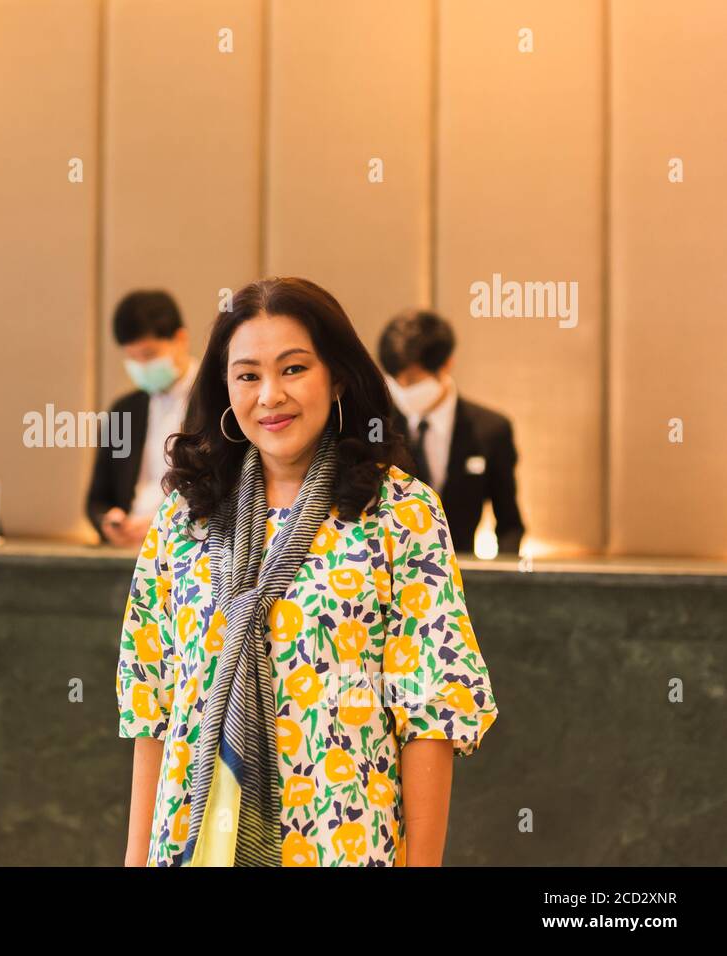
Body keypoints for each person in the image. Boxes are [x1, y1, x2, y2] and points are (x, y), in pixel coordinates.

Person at [115, 277, 498, 867]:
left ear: (337, 376)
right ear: (224, 387)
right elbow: (151, 709)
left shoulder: (399, 512)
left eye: (293, 369)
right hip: (195, 845)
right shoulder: (185, 517)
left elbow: (432, 713)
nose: (270, 395)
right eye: (247, 375)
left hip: (341, 838)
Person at [377, 309, 525, 557]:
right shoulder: (377, 424)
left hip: (461, 576)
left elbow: (509, 523)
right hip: (390, 577)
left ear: (446, 363)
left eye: (413, 380)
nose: (402, 389)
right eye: (395, 379)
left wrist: (500, 583)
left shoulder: (491, 430)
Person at [86, 290, 199, 546]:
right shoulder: (124, 410)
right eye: (132, 358)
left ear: (181, 339)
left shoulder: (216, 400)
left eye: (148, 355)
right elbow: (97, 500)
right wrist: (109, 521)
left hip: (192, 548)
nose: (141, 366)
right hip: (131, 551)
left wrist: (165, 522)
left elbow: (228, 490)